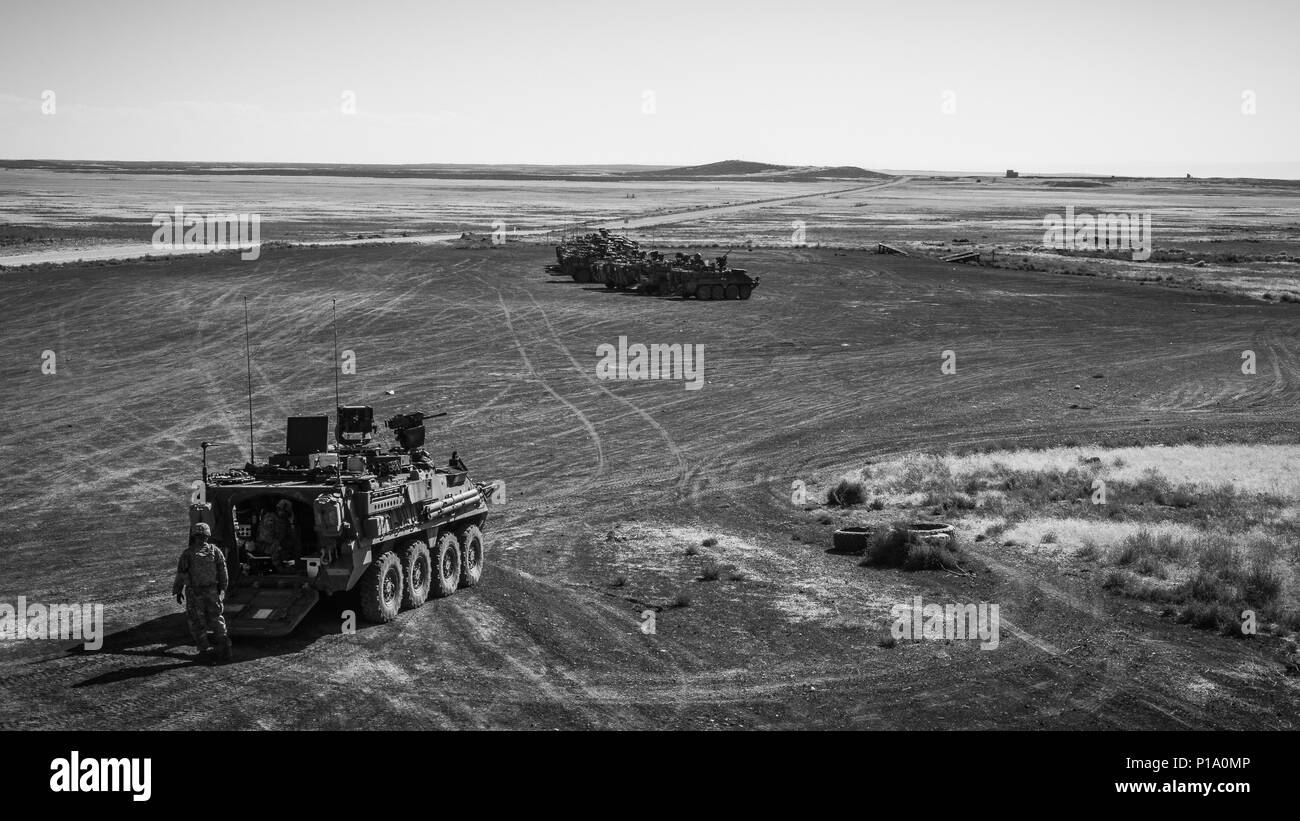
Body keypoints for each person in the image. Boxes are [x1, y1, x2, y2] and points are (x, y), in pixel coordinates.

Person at [173, 523, 231, 664]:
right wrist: (222, 589)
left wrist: (178, 590)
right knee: (216, 620)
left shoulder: (188, 553)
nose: (200, 538)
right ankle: (224, 649)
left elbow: (181, 574)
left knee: (198, 622)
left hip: (196, 592)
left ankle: (206, 651)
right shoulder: (215, 551)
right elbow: (223, 572)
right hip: (210, 592)